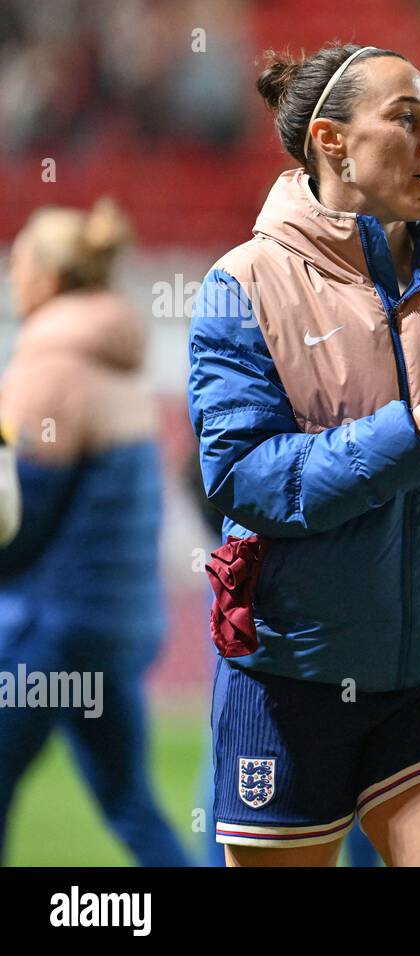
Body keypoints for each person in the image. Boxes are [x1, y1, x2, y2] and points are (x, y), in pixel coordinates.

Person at [188, 42, 420, 867]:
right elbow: (244, 477)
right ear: (332, 141)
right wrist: (410, 439)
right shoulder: (242, 284)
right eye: (407, 121)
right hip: (287, 675)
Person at [0, 198, 189, 866]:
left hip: (47, 630)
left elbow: (17, 525)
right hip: (115, 630)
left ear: (50, 278)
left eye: (19, 262)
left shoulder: (47, 372)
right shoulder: (117, 371)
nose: (12, 274)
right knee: (128, 800)